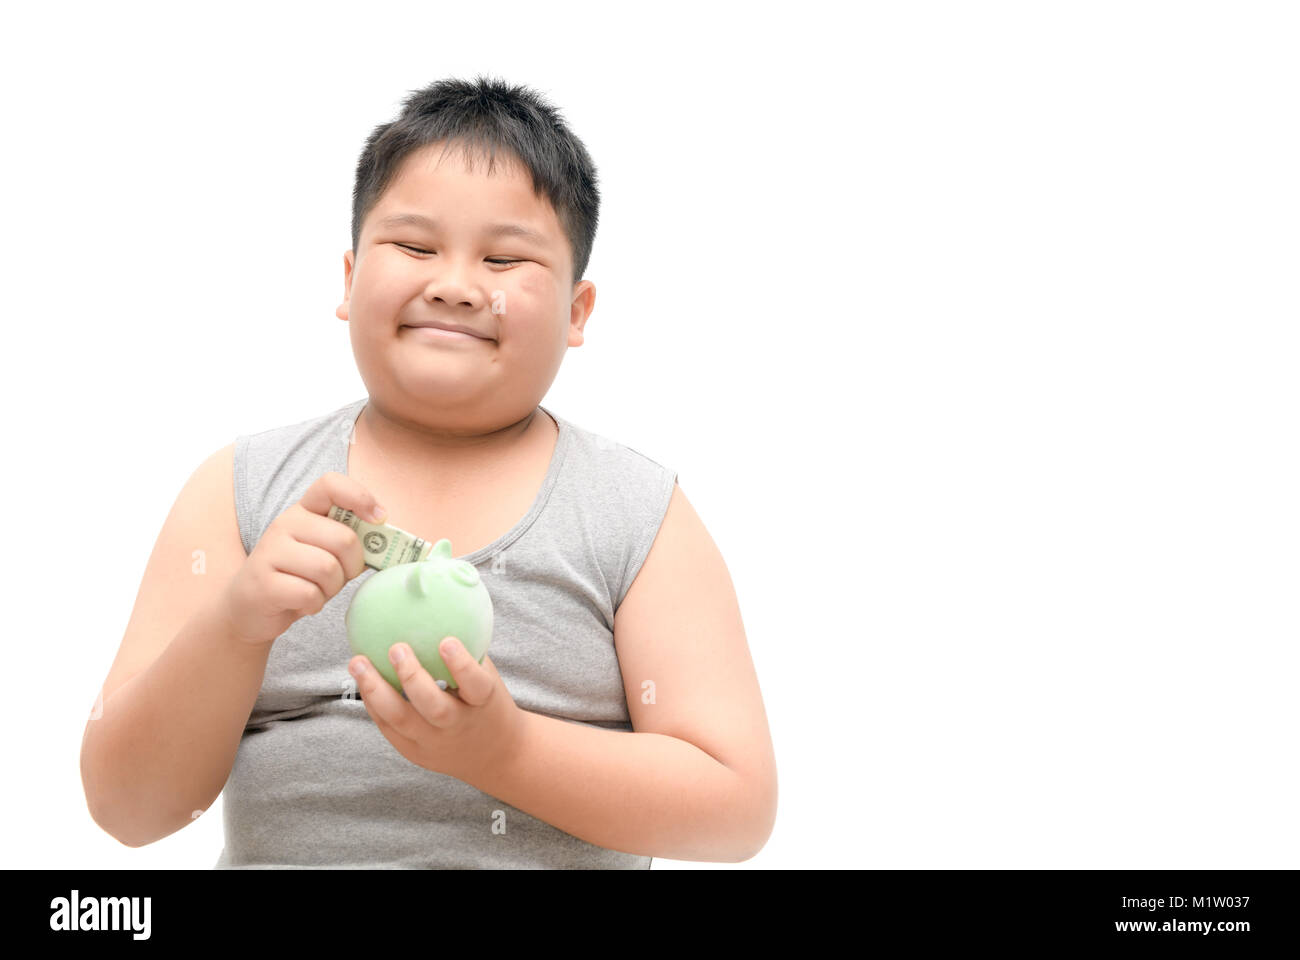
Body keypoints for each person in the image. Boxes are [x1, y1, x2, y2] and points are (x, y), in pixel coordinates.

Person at [79, 75, 777, 868]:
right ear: (349, 281)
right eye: (414, 248)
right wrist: (234, 627)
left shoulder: (636, 514)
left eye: (504, 258)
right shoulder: (242, 491)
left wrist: (505, 752)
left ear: (577, 313)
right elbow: (127, 810)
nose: (454, 286)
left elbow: (734, 813)